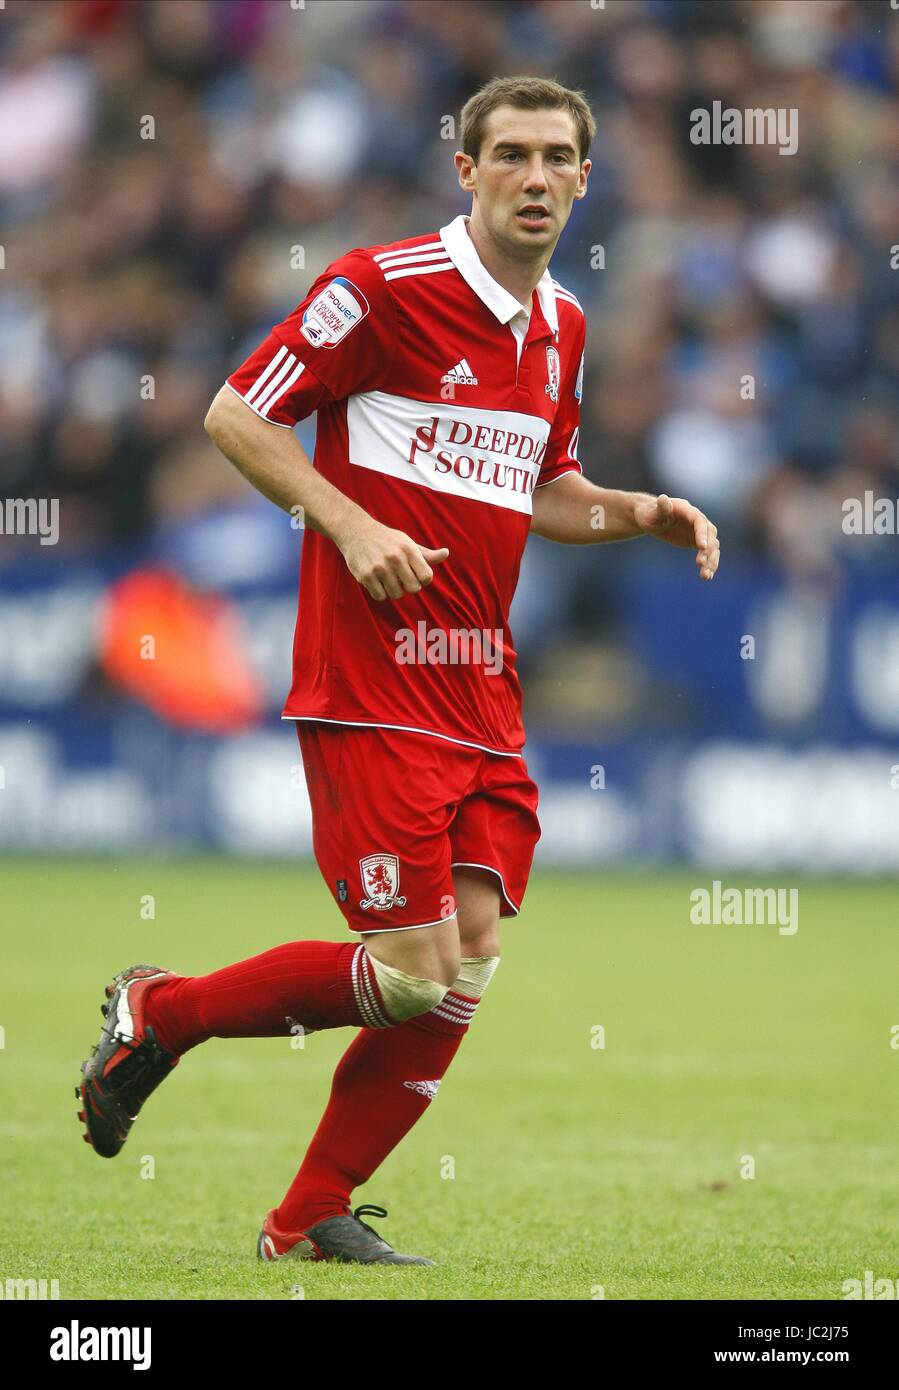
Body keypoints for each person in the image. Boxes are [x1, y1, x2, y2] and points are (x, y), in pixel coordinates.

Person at [76, 75, 719, 1266]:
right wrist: (348, 523)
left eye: (556, 159)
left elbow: (538, 485)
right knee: (417, 975)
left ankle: (305, 1215)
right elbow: (235, 415)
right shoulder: (378, 289)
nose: (535, 177)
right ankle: (160, 1014)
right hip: (370, 685)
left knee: (467, 956)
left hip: (478, 684)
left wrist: (631, 509)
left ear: (584, 179)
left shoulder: (562, 325)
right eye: (511, 155)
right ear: (465, 169)